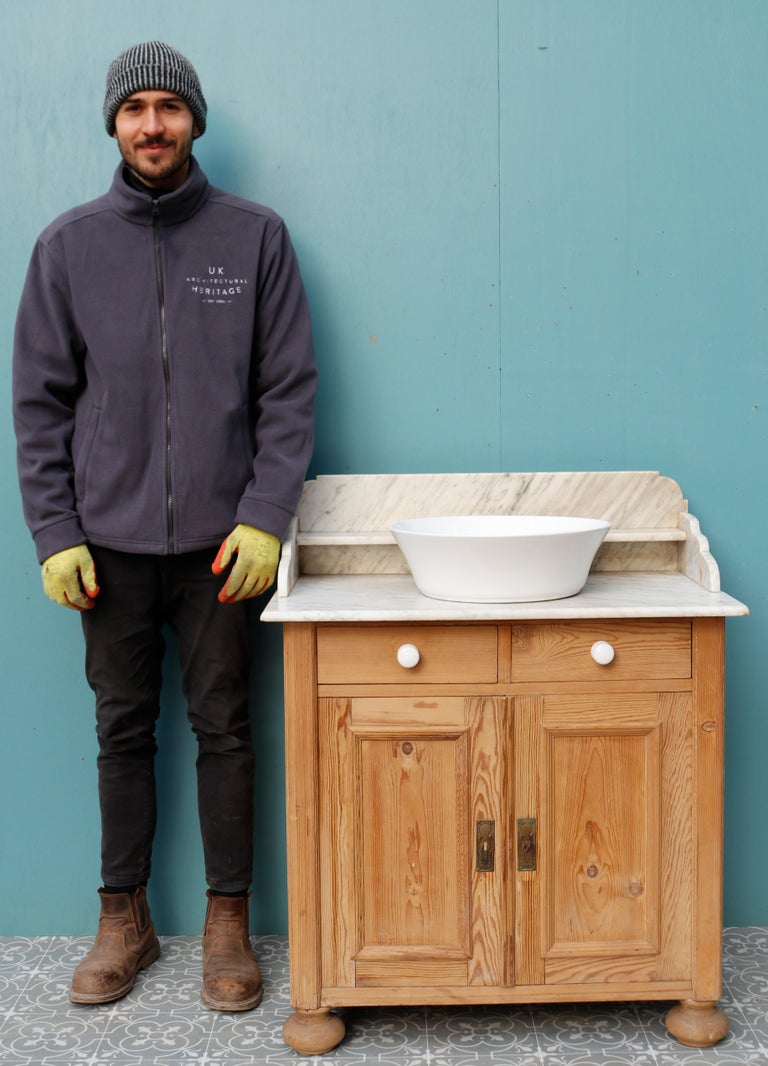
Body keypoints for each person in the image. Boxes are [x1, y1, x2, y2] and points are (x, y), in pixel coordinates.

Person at [12, 41, 317, 1012]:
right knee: (120, 728)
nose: (153, 124)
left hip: (226, 549)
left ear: (195, 121)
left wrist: (267, 514)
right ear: (113, 122)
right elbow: (38, 403)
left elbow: (290, 392)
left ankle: (228, 924)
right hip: (105, 550)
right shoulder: (66, 248)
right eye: (136, 107)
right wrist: (55, 529)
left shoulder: (254, 237)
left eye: (170, 107)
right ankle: (124, 918)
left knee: (226, 726)